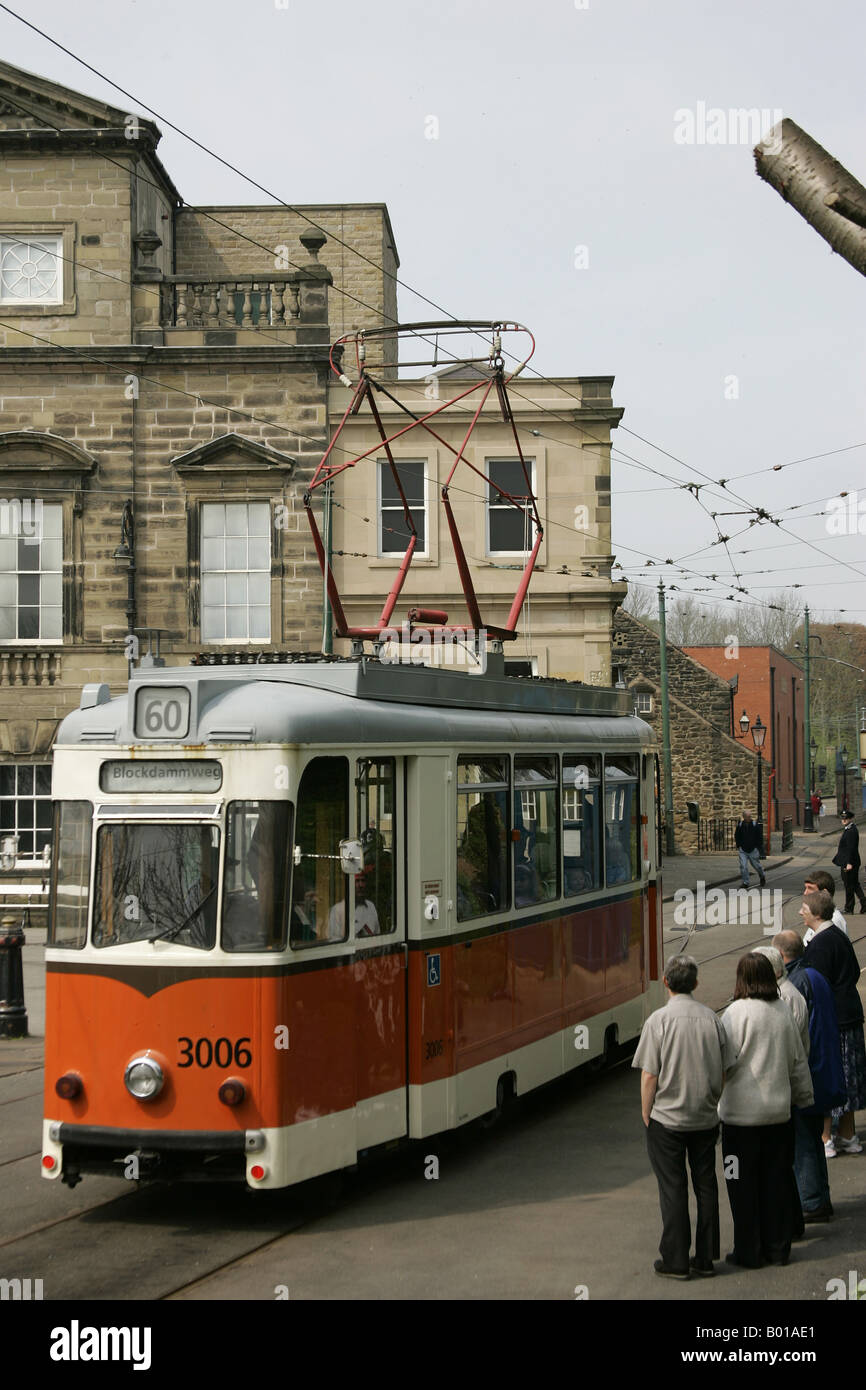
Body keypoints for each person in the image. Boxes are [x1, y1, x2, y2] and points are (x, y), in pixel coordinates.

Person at [632, 954, 731, 1280]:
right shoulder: (712, 1019)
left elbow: (649, 1075)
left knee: (673, 1187)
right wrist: (714, 1099)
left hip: (667, 1119)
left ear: (666, 982)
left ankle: (675, 1259)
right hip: (704, 1117)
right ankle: (705, 1257)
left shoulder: (657, 1021)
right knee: (706, 1184)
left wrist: (646, 1112)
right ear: (696, 983)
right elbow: (725, 1068)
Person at [719, 953, 813, 1268]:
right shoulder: (783, 1011)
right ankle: (778, 1247)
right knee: (776, 1181)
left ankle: (748, 1250)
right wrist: (804, 1096)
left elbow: (722, 1065)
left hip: (739, 1120)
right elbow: (798, 1061)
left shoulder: (733, 1014)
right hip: (778, 1116)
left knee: (740, 1185)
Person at [774, 929, 846, 1222]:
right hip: (824, 1070)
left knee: (803, 1141)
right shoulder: (814, 975)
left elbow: (798, 1035)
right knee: (814, 1139)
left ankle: (812, 1201)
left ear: (781, 955)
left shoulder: (795, 984)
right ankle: (820, 1198)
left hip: (809, 1073)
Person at [801, 888, 866, 1157]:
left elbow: (815, 984)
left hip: (833, 1021)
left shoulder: (820, 943)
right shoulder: (838, 936)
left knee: (829, 1075)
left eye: (804, 909)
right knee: (849, 1077)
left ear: (816, 913)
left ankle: (825, 1137)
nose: (800, 912)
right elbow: (853, 972)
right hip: (849, 1015)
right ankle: (848, 1135)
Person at [328, 867, 381, 939]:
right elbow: (334, 940)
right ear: (349, 884)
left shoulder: (371, 906)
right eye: (357, 881)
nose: (360, 885)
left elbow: (377, 934)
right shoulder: (337, 910)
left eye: (363, 881)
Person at [832, 809, 866, 914]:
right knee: (854, 884)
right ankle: (864, 904)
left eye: (846, 818)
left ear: (850, 819)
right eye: (842, 818)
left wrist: (849, 863)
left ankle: (849, 908)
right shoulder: (850, 829)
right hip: (850, 861)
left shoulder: (851, 831)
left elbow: (851, 848)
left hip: (850, 862)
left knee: (849, 886)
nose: (844, 820)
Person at [802, 871, 847, 944]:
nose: (805, 893)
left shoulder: (833, 920)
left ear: (824, 893)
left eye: (810, 888)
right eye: (806, 888)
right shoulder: (821, 916)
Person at [735, 810, 766, 888]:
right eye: (747, 817)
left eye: (750, 816)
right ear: (744, 817)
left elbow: (759, 836)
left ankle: (762, 876)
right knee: (743, 866)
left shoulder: (755, 825)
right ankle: (745, 882)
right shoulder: (740, 825)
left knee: (757, 866)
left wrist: (758, 846)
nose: (749, 818)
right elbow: (737, 836)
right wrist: (739, 845)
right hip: (743, 849)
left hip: (753, 849)